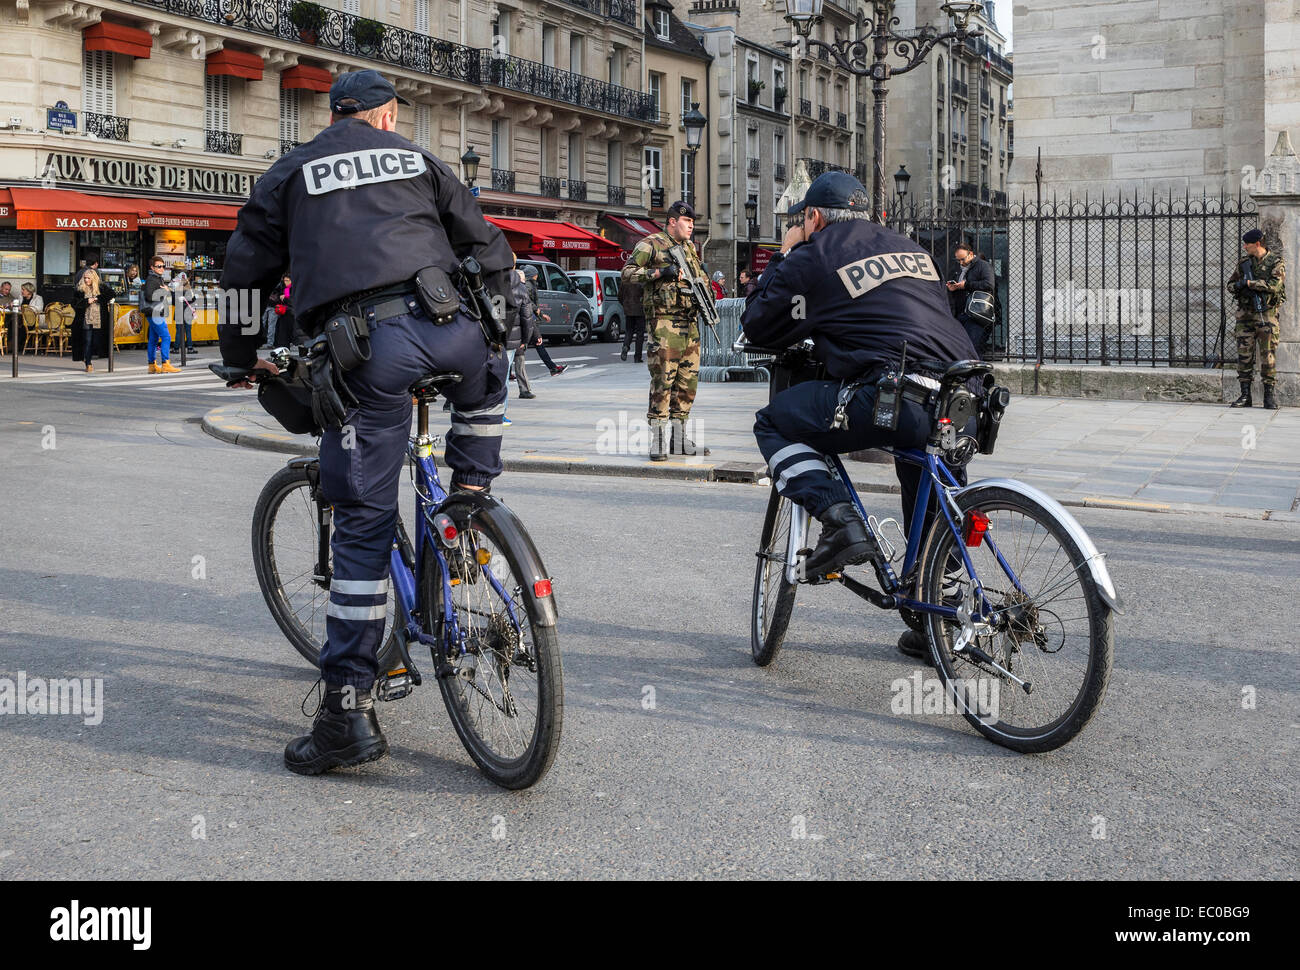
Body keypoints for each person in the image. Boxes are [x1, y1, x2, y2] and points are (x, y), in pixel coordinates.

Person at [218, 68, 516, 775]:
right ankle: (469, 506)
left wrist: (241, 355)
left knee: (361, 524)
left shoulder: (291, 171)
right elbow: (485, 243)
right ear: (385, 118)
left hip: (371, 353)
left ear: (334, 118)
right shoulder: (418, 159)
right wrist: (499, 326)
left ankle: (346, 714)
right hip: (459, 339)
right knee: (479, 401)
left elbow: (243, 273)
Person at [741, 171, 978, 663]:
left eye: (803, 221)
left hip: (895, 393)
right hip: (964, 392)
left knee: (775, 422)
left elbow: (759, 321)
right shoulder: (911, 247)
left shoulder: (814, 253)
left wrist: (786, 253)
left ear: (813, 217)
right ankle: (940, 615)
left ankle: (839, 520)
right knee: (930, 481)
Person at [621, 200, 712, 460]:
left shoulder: (690, 249)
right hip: (664, 323)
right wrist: (661, 272)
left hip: (690, 324)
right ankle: (659, 440)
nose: (691, 227)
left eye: (693, 223)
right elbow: (627, 273)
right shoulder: (651, 244)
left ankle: (680, 439)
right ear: (673, 221)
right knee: (663, 380)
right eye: (687, 222)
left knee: (687, 383)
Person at [1226, 228, 1286, 409]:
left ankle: (1269, 396)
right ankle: (1245, 395)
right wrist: (1239, 286)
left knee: (1268, 356)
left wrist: (1251, 283)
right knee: (1244, 356)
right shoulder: (1244, 263)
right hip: (1245, 316)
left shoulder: (1276, 262)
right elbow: (1230, 285)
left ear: (1257, 244)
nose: (1244, 247)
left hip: (1267, 315)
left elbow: (1274, 286)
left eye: (1247, 244)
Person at [946, 240, 995, 356]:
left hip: (976, 313)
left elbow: (989, 284)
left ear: (971, 254)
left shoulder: (983, 266)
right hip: (961, 312)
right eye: (958, 260)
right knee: (960, 348)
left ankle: (977, 373)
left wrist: (966, 285)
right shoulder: (959, 269)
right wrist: (954, 288)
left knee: (973, 349)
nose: (961, 262)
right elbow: (961, 287)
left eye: (963, 259)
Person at [521, 265, 566, 375]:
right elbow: (528, 303)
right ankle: (552, 368)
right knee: (529, 344)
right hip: (529, 318)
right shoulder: (528, 285)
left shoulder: (530, 284)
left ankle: (552, 367)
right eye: (536, 273)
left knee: (531, 345)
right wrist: (539, 312)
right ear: (532, 275)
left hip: (530, 317)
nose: (537, 275)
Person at [142, 257, 181, 373]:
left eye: (163, 266)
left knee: (153, 339)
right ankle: (165, 363)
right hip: (155, 313)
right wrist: (165, 291)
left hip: (155, 312)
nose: (161, 268)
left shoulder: (157, 279)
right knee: (166, 337)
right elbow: (149, 296)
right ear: (152, 267)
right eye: (158, 266)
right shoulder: (152, 279)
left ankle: (152, 365)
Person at [72, 268, 114, 373]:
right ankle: (88, 363)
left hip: (99, 318)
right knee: (87, 341)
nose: (86, 280)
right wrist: (87, 301)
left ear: (93, 279)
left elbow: (112, 294)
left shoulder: (101, 287)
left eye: (88, 278)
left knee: (96, 341)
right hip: (85, 318)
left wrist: (97, 299)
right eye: (85, 278)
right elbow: (74, 303)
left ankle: (89, 357)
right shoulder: (80, 289)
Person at [511, 266, 538, 400]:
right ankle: (524, 389)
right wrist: (526, 340)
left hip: (502, 336)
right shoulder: (522, 290)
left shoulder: (497, 286)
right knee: (519, 363)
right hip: (517, 336)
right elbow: (527, 318)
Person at [620, 274, 646, 362]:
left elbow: (620, 295)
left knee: (629, 330)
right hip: (640, 309)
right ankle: (637, 357)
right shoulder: (642, 279)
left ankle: (626, 346)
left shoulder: (626, 280)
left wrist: (625, 304)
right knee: (640, 334)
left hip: (628, 310)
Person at [172, 271, 199, 357]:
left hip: (179, 312)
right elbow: (194, 300)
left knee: (179, 331)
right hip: (187, 312)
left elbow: (173, 302)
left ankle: (176, 348)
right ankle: (190, 348)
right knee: (188, 331)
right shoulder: (189, 288)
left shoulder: (176, 289)